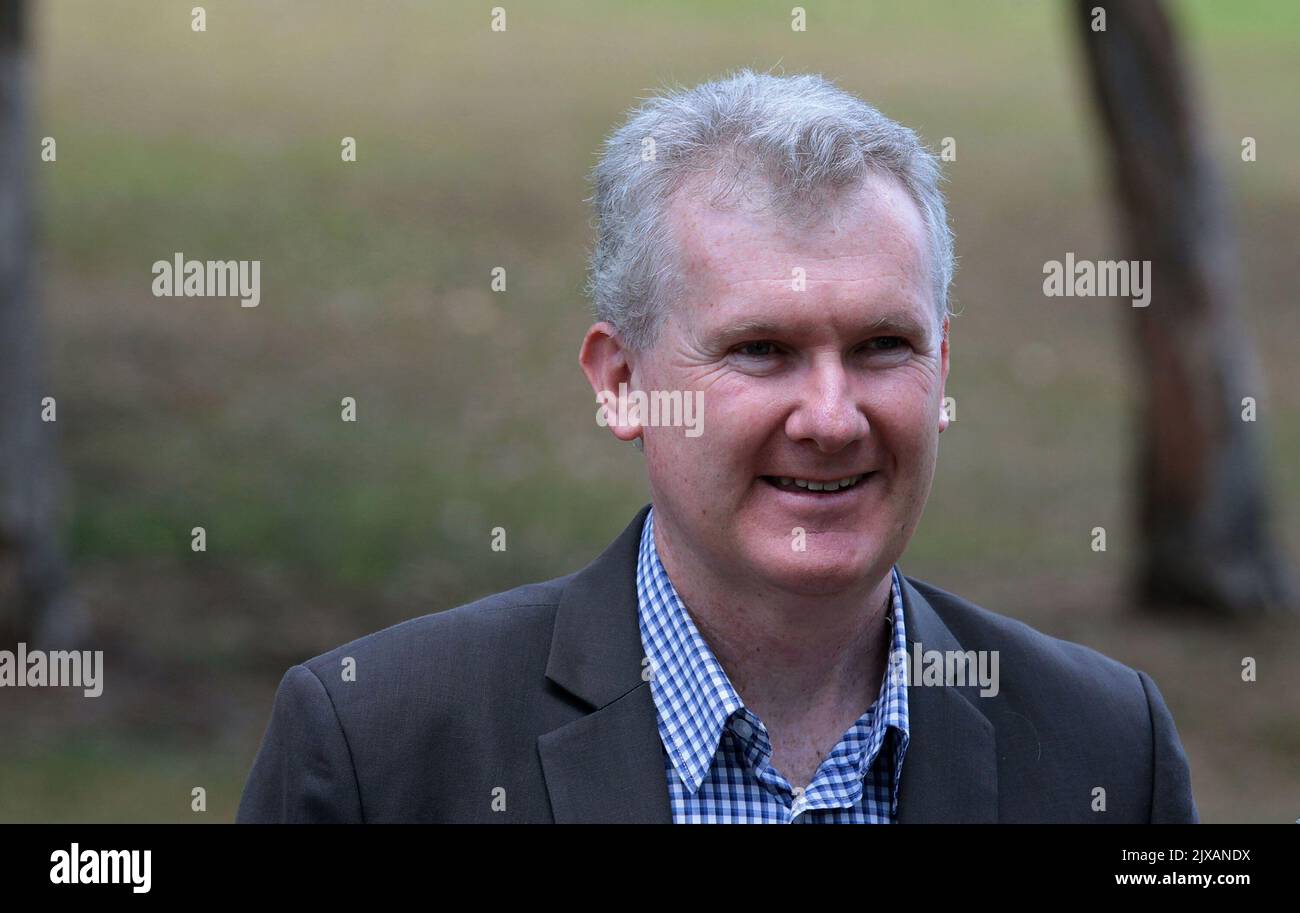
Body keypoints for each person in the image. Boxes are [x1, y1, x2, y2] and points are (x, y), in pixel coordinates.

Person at [237, 69, 1198, 823]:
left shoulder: (1112, 752)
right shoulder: (377, 750)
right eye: (761, 350)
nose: (832, 418)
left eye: (882, 346)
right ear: (622, 382)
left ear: (942, 369)